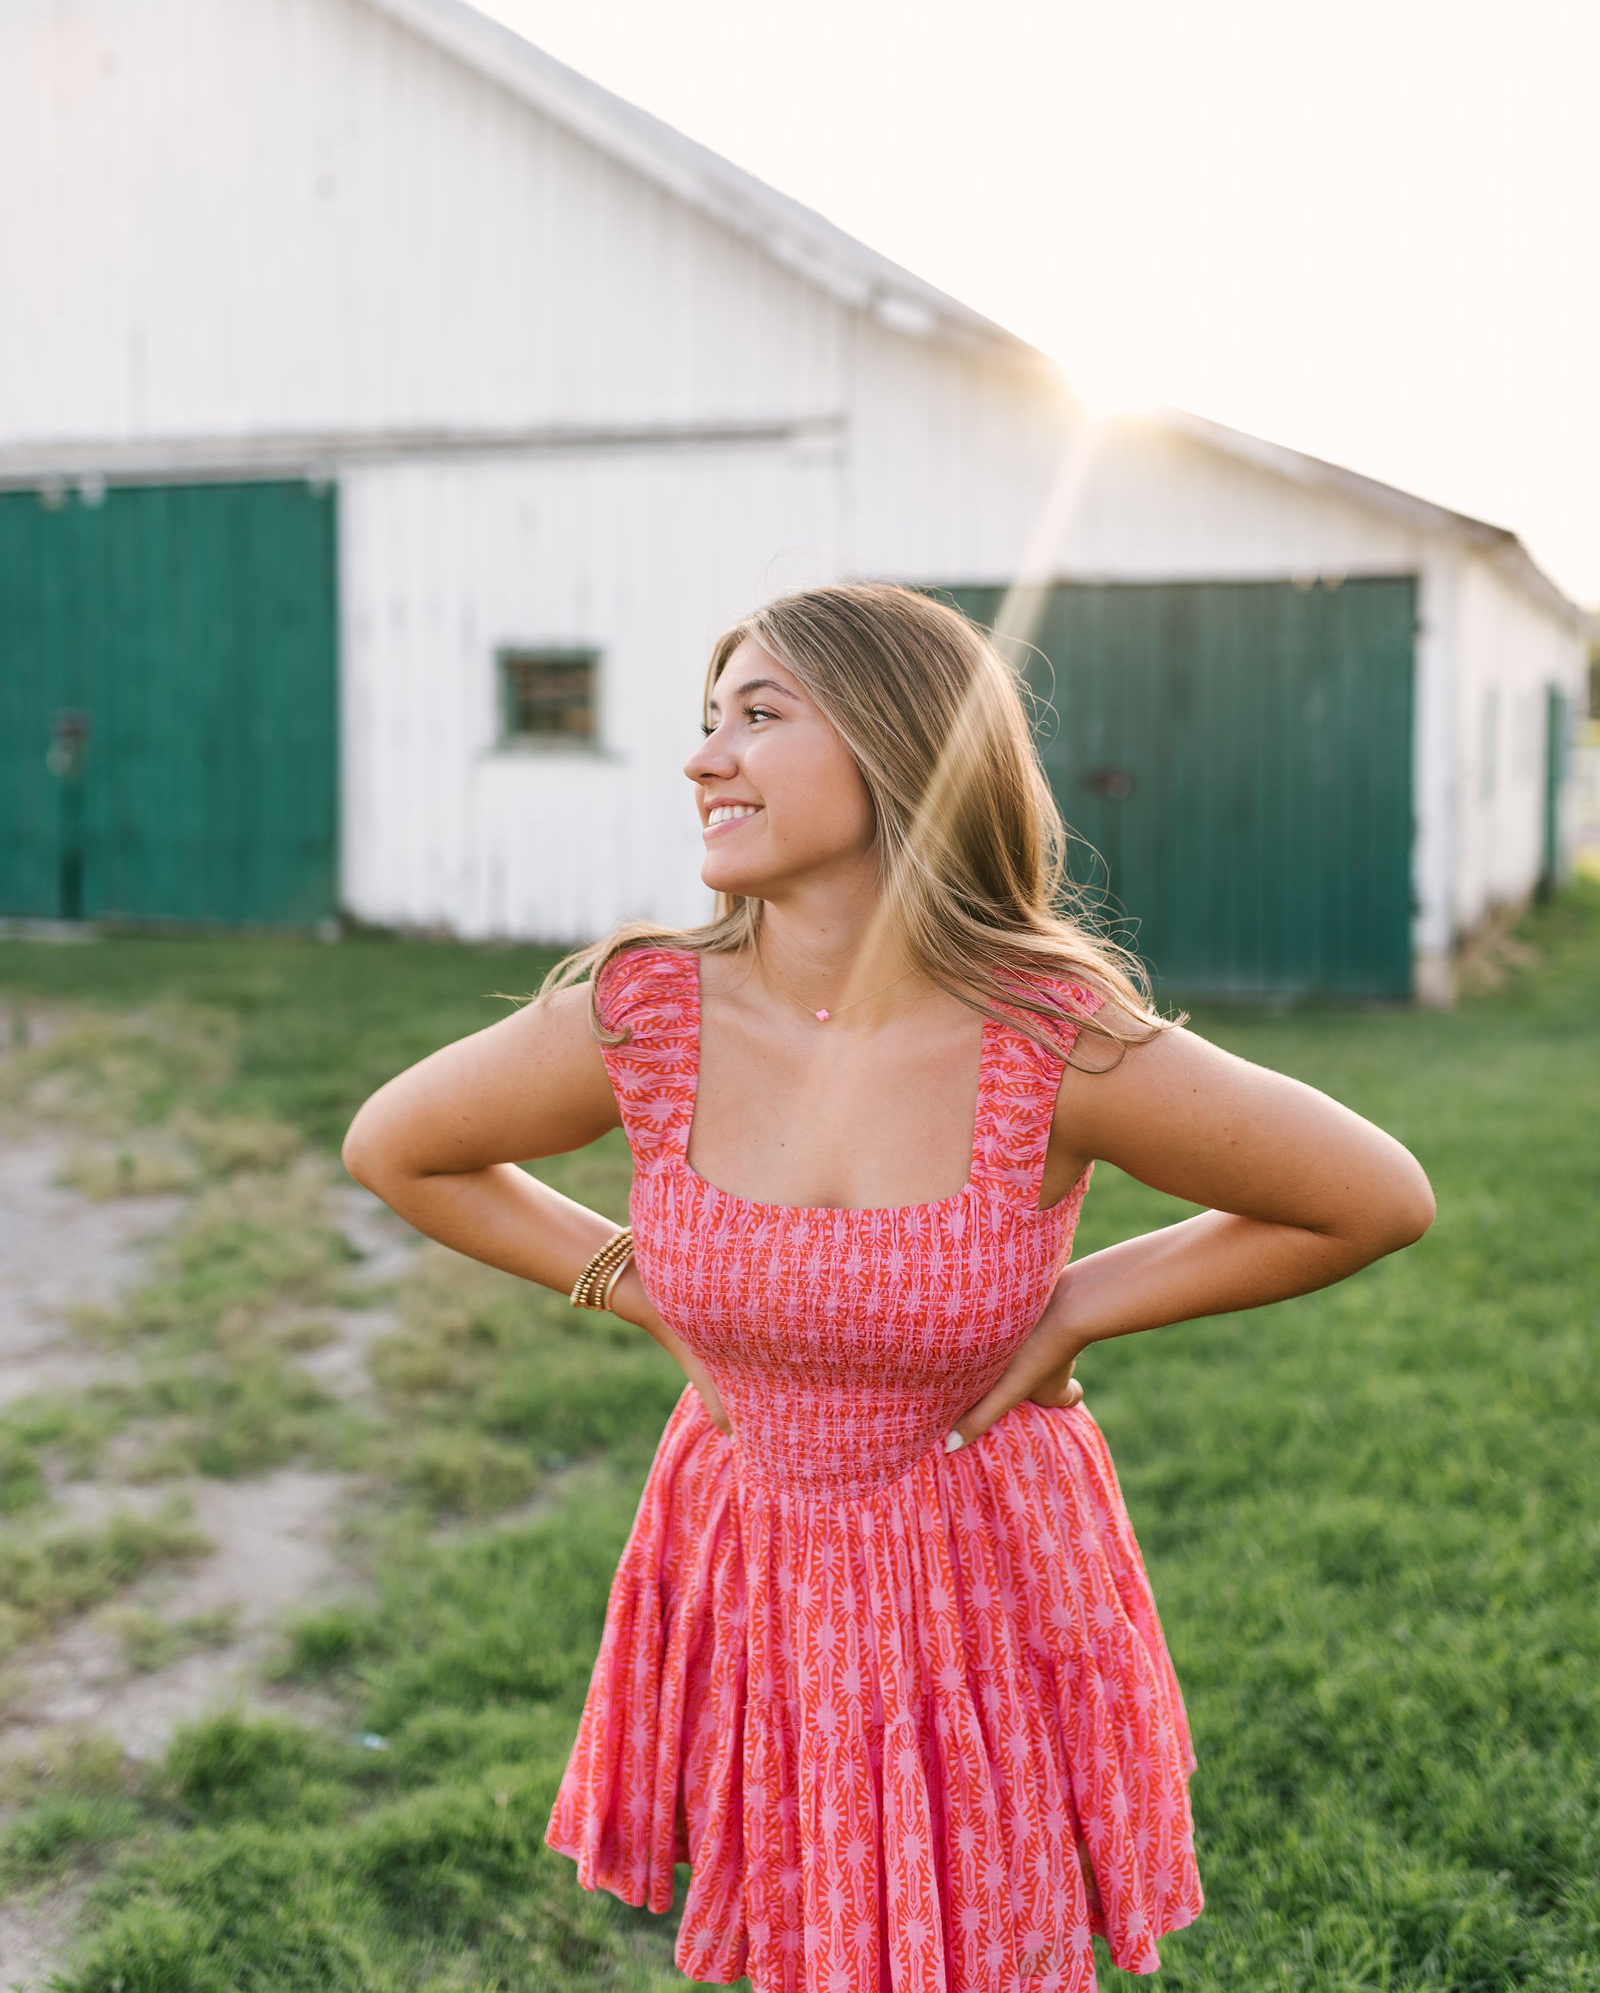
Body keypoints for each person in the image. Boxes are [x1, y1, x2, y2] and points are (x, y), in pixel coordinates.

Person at [343, 581, 1435, 1993]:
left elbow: (1373, 1196)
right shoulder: (646, 1012)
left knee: (975, 1946)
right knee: (805, 1933)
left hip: (979, 1576)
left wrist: (1080, 1301)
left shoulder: (1048, 1036)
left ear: (898, 743)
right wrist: (632, 1281)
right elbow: (400, 1149)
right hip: (756, 1554)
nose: (702, 758)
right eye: (703, 721)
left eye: (758, 715)